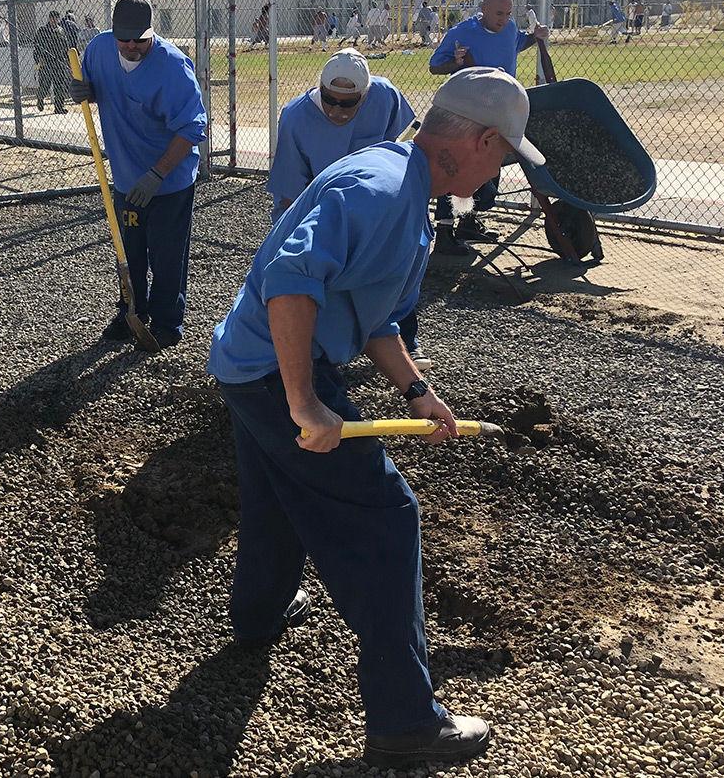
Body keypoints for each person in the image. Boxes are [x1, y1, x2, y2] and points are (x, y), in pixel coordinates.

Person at [208, 67, 544, 770]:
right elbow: (291, 282)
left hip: (249, 365)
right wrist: (305, 402)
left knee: (277, 497)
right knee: (388, 517)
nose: (502, 170)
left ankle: (258, 616)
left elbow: (373, 314)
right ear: (479, 141)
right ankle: (405, 723)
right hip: (277, 371)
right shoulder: (385, 190)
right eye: (505, 155)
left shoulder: (402, 182)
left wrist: (417, 389)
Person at [266, 49, 429, 370]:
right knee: (319, 278)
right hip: (324, 210)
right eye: (330, 99)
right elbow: (289, 191)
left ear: (365, 95)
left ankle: (406, 342)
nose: (337, 110)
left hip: (378, 204)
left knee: (403, 266)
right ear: (320, 89)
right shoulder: (296, 117)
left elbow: (406, 142)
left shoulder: (385, 96)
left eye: (349, 103)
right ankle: (313, 353)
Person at [69, 0, 207, 348]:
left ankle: (166, 323)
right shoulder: (99, 50)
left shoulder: (173, 67)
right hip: (127, 176)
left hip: (169, 180)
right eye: (125, 38)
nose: (132, 45)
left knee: (167, 254)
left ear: (151, 33)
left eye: (140, 39)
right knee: (128, 250)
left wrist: (157, 174)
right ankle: (131, 310)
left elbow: (192, 128)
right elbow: (102, 89)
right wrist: (86, 91)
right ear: (114, 32)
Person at [428, 0, 549, 254]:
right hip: (466, 113)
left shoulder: (509, 29)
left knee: (486, 169)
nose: (503, 19)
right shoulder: (462, 32)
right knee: (456, 167)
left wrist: (534, 37)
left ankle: (469, 223)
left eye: (507, 13)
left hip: (498, 112)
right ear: (483, 8)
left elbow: (516, 44)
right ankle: (445, 232)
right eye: (498, 13)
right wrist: (456, 63)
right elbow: (435, 66)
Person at [34, 10, 71, 114]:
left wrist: (67, 60)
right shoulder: (42, 30)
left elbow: (65, 46)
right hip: (46, 62)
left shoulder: (61, 31)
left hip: (59, 62)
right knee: (45, 85)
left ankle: (59, 107)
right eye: (52, 18)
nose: (54, 20)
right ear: (49, 19)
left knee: (59, 85)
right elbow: (37, 46)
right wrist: (38, 59)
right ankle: (40, 99)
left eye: (56, 18)